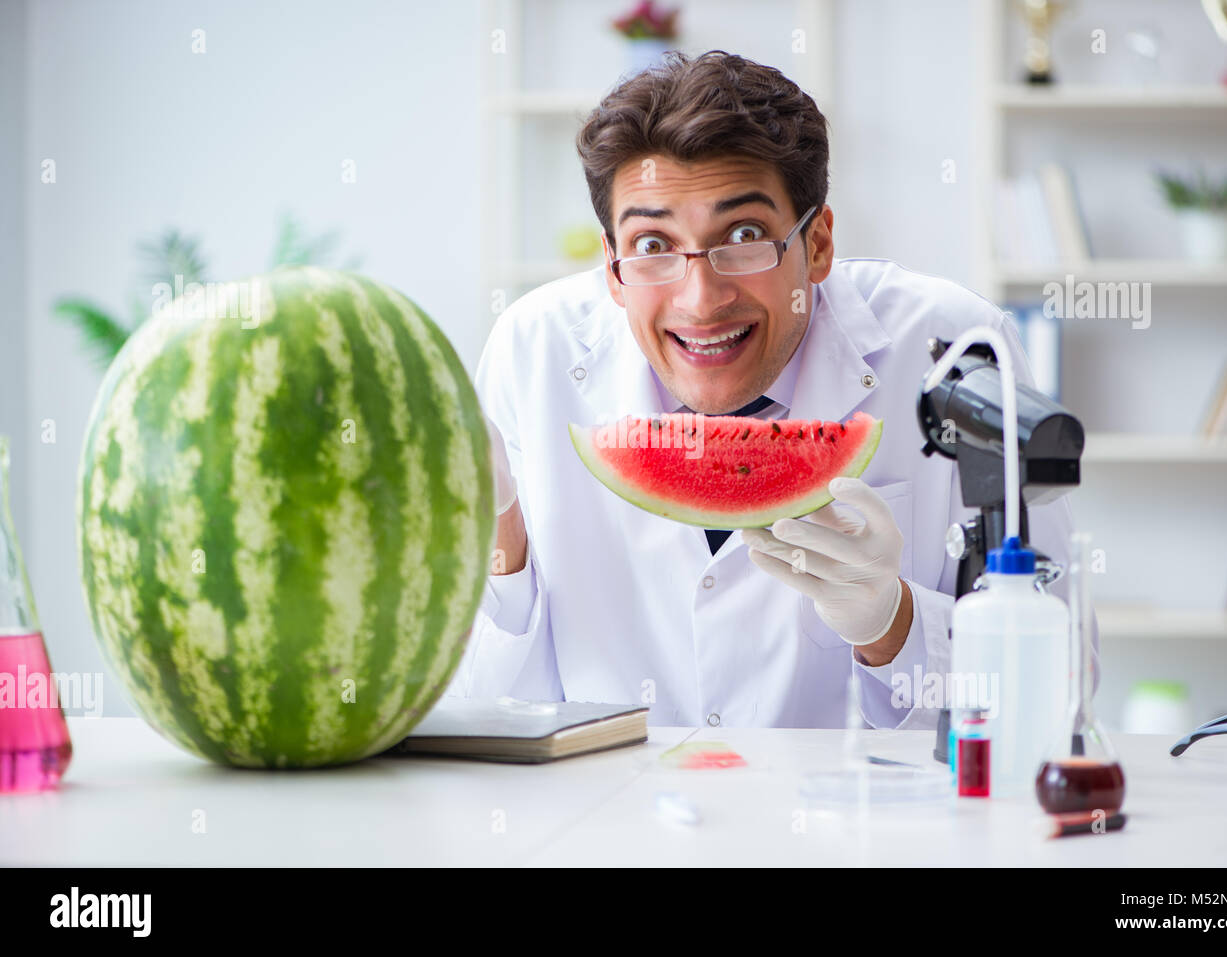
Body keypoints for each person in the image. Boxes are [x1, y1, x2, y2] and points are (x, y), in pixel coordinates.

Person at [448, 50, 1097, 730]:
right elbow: (483, 711)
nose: (700, 299)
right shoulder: (533, 352)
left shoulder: (957, 344)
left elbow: (1063, 693)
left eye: (746, 235)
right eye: (651, 244)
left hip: (866, 829)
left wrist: (892, 623)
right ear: (611, 267)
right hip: (613, 824)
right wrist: (502, 549)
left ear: (817, 244)